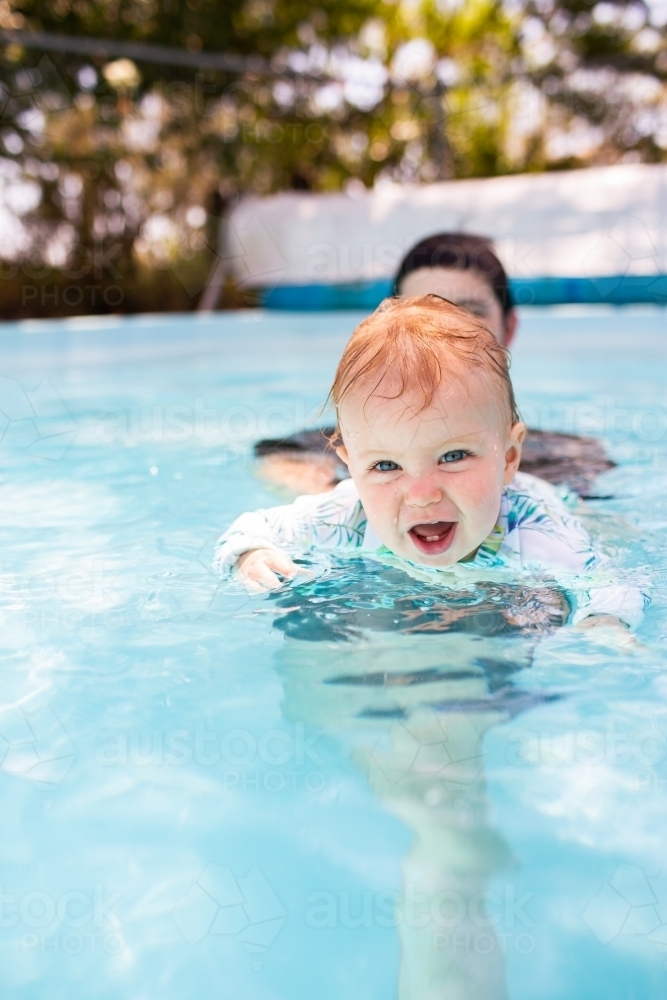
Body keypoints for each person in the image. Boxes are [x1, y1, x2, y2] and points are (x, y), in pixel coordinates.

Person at [216, 295, 643, 638]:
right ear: (351, 468)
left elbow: (608, 584)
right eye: (385, 465)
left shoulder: (536, 528)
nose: (422, 494)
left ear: (509, 457)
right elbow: (252, 527)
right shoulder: (349, 512)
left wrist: (601, 624)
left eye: (452, 457)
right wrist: (253, 554)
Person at [254, 233, 613, 499]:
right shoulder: (320, 448)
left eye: (470, 310)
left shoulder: (570, 457)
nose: (447, 328)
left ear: (509, 328)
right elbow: (280, 466)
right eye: (423, 311)